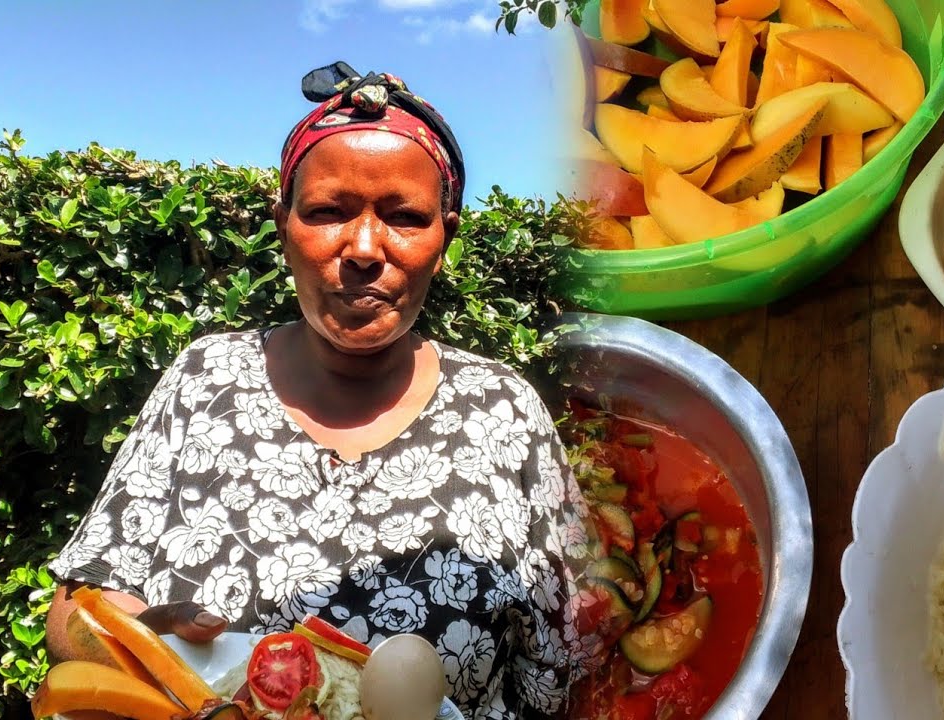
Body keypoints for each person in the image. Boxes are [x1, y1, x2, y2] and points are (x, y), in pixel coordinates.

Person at [44, 63, 590, 719]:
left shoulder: (504, 411)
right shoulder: (205, 382)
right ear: (283, 227)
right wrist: (143, 645)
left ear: (444, 238)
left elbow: (561, 659)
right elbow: (84, 601)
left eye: (405, 217)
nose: (364, 248)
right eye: (328, 212)